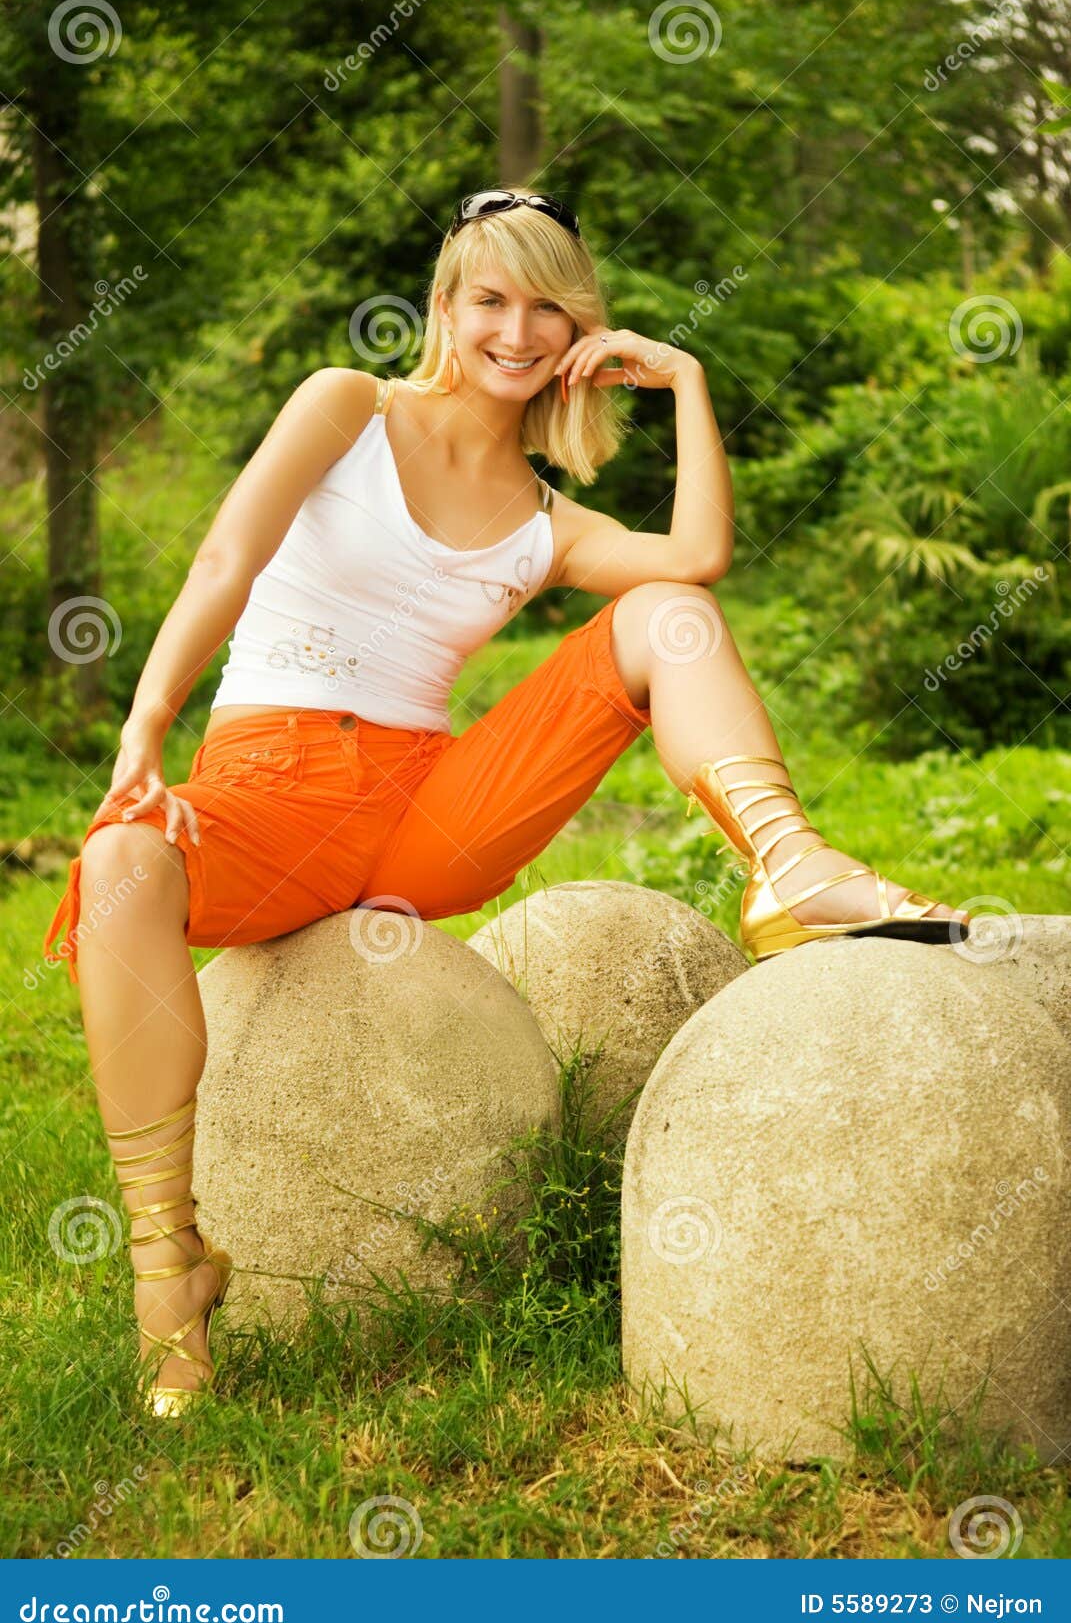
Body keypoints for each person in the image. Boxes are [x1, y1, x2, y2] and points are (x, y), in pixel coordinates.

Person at [41, 185, 971, 1417]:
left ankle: (789, 866)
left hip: (428, 819)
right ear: (445, 304)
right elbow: (228, 555)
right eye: (491, 298)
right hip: (270, 791)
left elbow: (697, 558)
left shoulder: (548, 521)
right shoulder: (347, 406)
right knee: (120, 866)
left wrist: (686, 380)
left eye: (549, 308)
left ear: (581, 331)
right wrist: (148, 721)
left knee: (668, 612)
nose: (517, 331)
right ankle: (170, 1272)